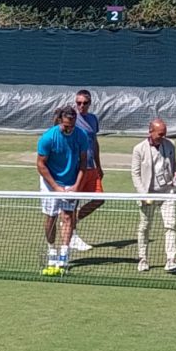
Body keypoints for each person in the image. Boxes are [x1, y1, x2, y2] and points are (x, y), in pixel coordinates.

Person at [36, 106, 90, 269]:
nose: (69, 129)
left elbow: (83, 163)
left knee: (67, 216)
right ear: (60, 121)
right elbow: (41, 165)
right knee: (51, 217)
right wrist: (55, 187)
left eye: (72, 125)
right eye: (67, 126)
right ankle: (52, 250)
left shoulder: (81, 136)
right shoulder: (48, 138)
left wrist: (76, 185)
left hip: (71, 181)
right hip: (50, 181)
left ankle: (64, 253)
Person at [130, 118, 176, 273]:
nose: (163, 137)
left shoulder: (170, 144)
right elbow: (135, 174)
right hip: (148, 193)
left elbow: (173, 165)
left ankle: (171, 260)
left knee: (170, 225)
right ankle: (143, 258)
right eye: (160, 134)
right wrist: (144, 194)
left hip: (167, 192)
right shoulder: (139, 149)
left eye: (164, 134)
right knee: (145, 227)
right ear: (150, 132)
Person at [70, 89, 103, 251]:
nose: (81, 106)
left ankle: (71, 222)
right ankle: (72, 235)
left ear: (90, 103)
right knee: (73, 203)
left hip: (91, 167)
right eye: (78, 103)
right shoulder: (71, 119)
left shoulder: (93, 119)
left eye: (84, 103)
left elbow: (94, 142)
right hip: (77, 168)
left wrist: (99, 165)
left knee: (99, 199)